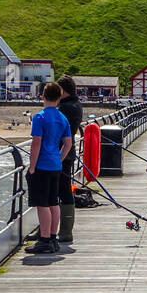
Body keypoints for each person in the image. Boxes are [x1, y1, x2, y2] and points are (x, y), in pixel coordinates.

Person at [26, 82, 72, 255]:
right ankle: (53, 237)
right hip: (55, 165)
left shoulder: (39, 117)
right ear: (59, 98)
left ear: (43, 96)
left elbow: (36, 142)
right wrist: (59, 158)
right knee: (54, 202)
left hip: (42, 165)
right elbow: (68, 143)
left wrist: (32, 166)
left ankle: (44, 239)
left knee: (42, 204)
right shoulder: (62, 118)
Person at [55, 76, 84, 245]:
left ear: (62, 90)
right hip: (68, 152)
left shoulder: (66, 108)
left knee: (61, 190)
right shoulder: (75, 104)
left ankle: (64, 232)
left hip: (61, 153)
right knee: (62, 189)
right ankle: (62, 230)